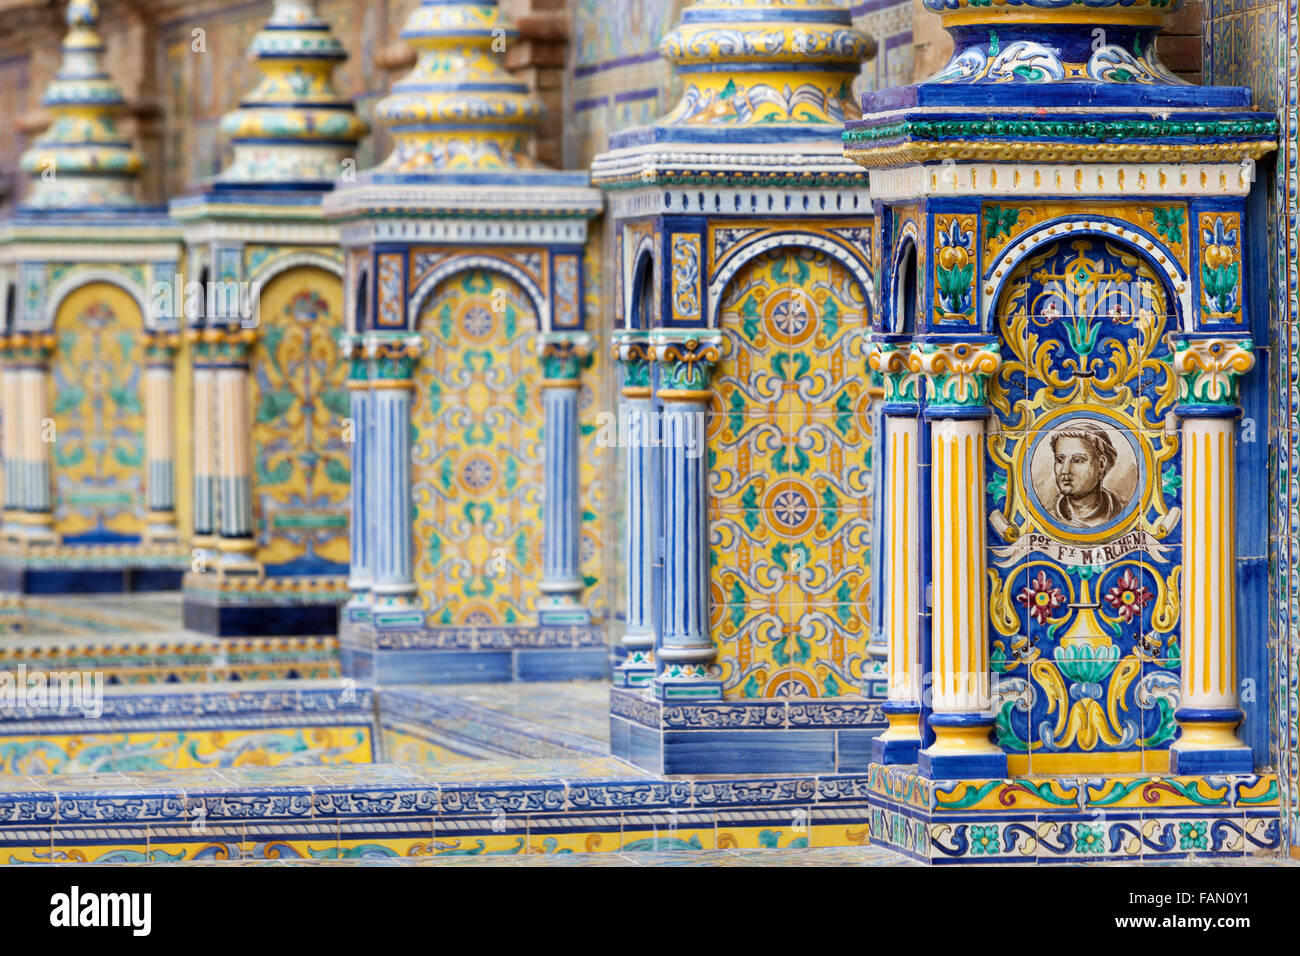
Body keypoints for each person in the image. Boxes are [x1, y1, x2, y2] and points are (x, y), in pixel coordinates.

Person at [1048, 421, 1124, 528]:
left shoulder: (1123, 513)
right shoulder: (1048, 517)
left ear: (1101, 464)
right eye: (1060, 460)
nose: (1065, 470)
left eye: (1078, 460)